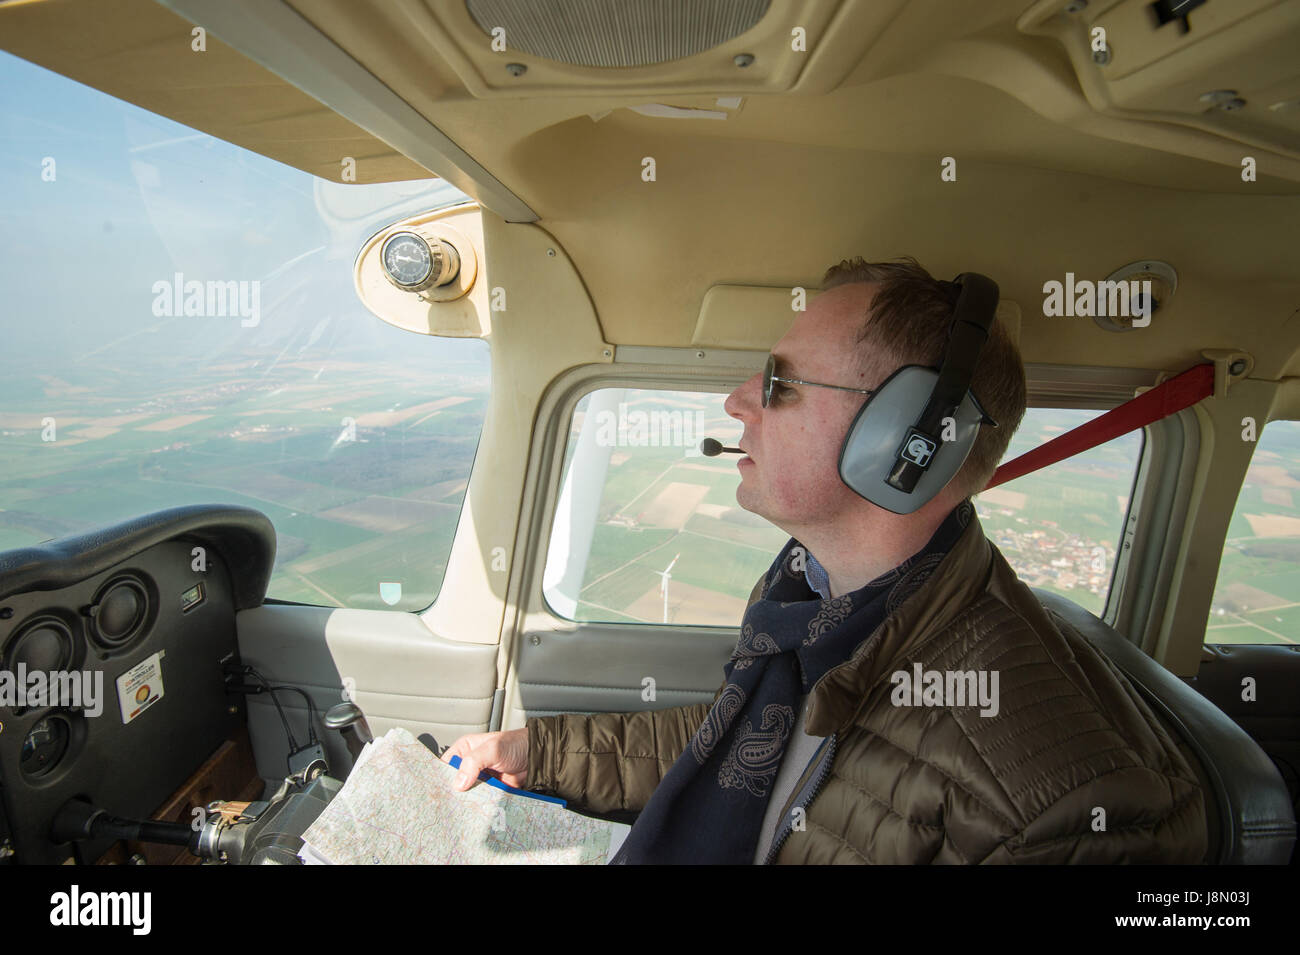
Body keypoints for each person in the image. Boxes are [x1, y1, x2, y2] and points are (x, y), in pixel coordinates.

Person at [441, 257, 1208, 864]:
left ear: (906, 444)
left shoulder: (1048, 807)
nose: (739, 400)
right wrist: (534, 749)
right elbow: (739, 741)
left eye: (778, 381)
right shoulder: (814, 600)